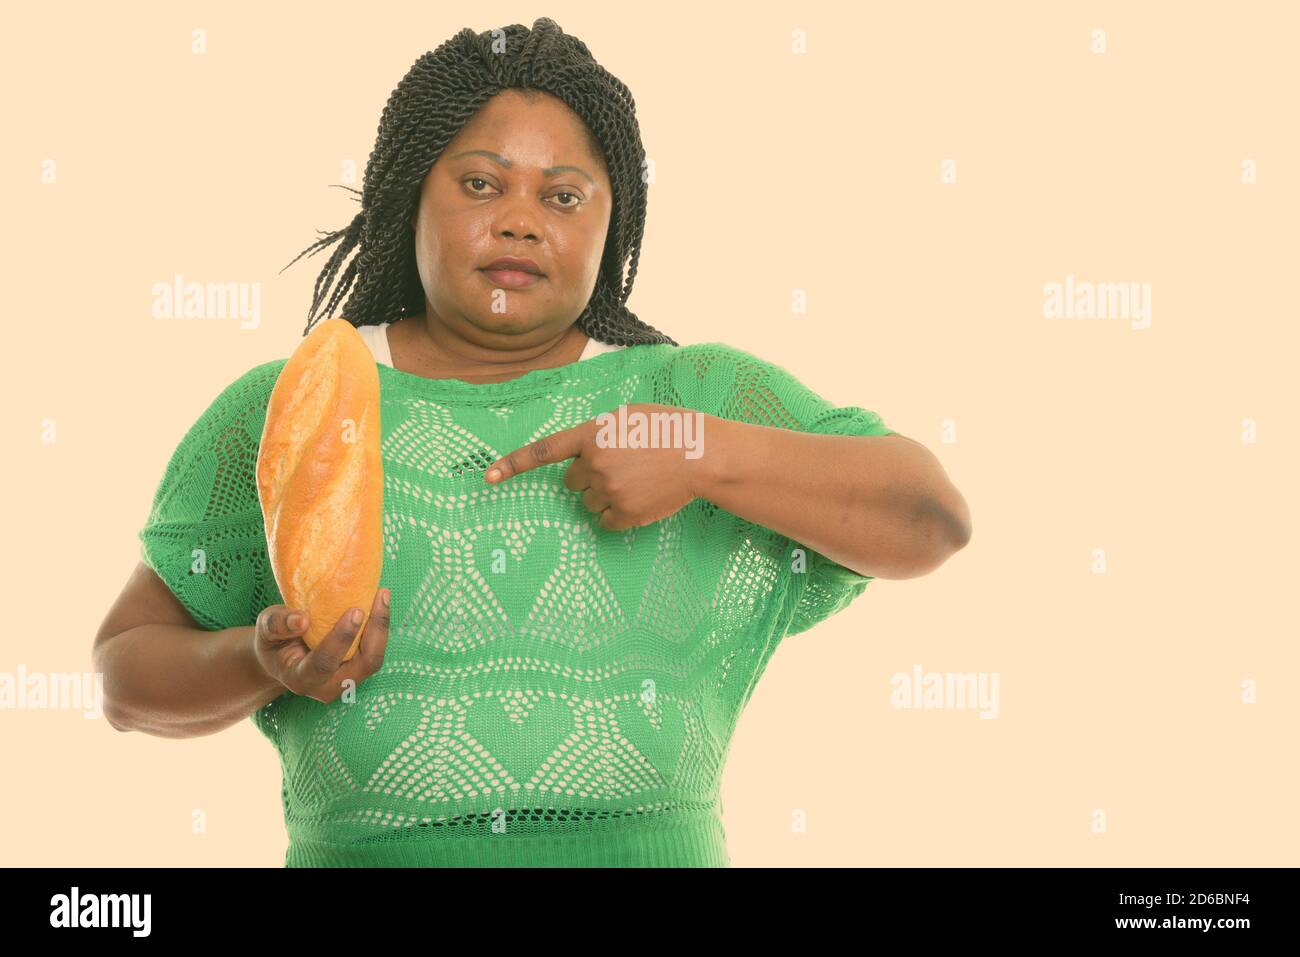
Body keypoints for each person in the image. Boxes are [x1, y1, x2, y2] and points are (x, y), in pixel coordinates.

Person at [95, 17, 970, 867]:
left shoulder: (683, 392)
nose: (520, 221)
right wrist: (260, 661)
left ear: (610, 222)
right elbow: (125, 677)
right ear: (409, 195)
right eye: (481, 184)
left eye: (562, 195)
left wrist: (699, 452)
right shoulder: (300, 401)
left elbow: (931, 517)